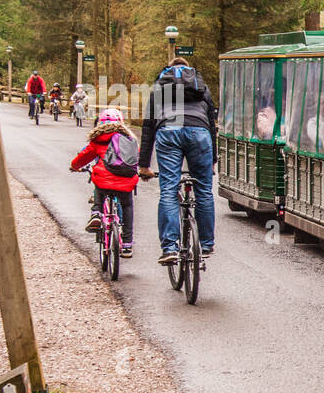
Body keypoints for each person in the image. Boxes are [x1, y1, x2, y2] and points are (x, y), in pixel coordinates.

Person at [137, 57, 218, 264]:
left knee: (168, 190)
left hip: (169, 131)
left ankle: (170, 248)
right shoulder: (201, 86)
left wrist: (144, 165)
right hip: (199, 132)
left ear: (169, 69)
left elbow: (148, 126)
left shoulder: (160, 86)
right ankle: (206, 244)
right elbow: (211, 124)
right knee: (204, 191)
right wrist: (213, 160)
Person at [70, 108, 140, 258]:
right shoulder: (129, 139)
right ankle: (127, 243)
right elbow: (137, 156)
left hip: (104, 181)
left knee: (99, 181)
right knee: (127, 205)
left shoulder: (97, 139)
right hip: (126, 181)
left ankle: (96, 212)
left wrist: (74, 166)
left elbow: (84, 156)